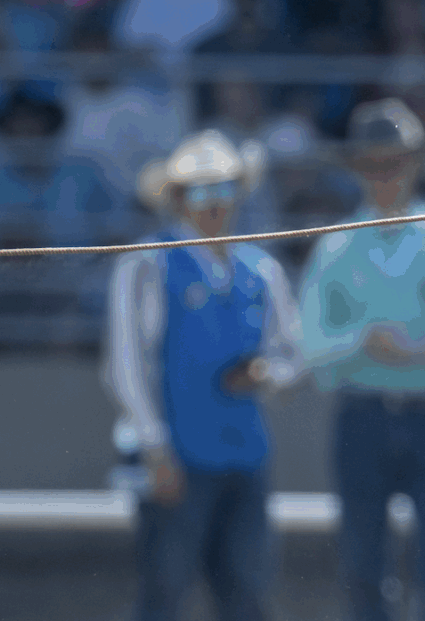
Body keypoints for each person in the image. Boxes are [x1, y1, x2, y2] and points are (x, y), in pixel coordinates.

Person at [297, 99, 425, 621]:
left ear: (415, 163)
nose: (385, 174)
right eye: (373, 164)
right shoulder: (335, 247)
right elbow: (310, 339)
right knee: (364, 564)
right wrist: (360, 341)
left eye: (394, 161)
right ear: (358, 171)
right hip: (361, 414)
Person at [103, 130, 301, 621]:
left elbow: (295, 351)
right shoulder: (147, 263)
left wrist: (268, 373)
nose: (213, 204)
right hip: (177, 460)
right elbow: (125, 365)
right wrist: (155, 448)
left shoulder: (261, 268)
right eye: (200, 191)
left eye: (224, 189)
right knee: (164, 596)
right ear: (176, 198)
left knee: (247, 596)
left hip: (244, 456)